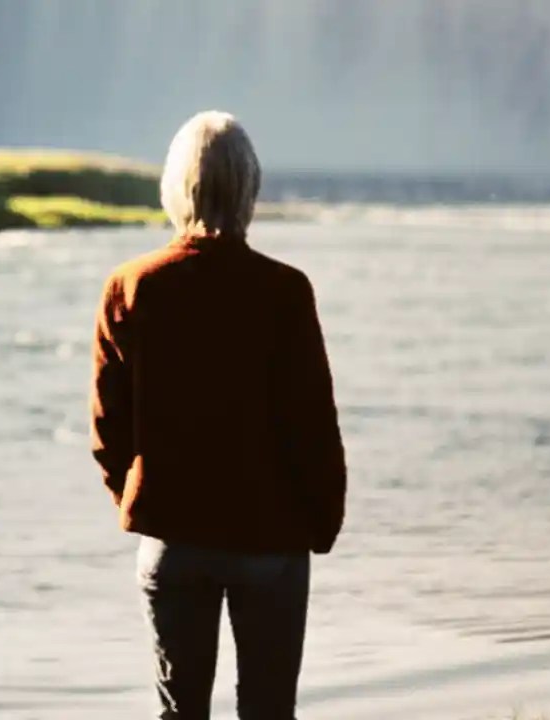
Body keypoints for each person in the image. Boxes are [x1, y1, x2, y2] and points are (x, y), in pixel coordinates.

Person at [88, 110, 347, 719]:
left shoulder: (131, 286)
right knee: (267, 710)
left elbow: (108, 427)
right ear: (249, 188)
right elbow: (313, 425)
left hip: (172, 537)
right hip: (272, 540)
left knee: (180, 713)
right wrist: (322, 524)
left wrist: (139, 499)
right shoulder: (285, 291)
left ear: (176, 188)